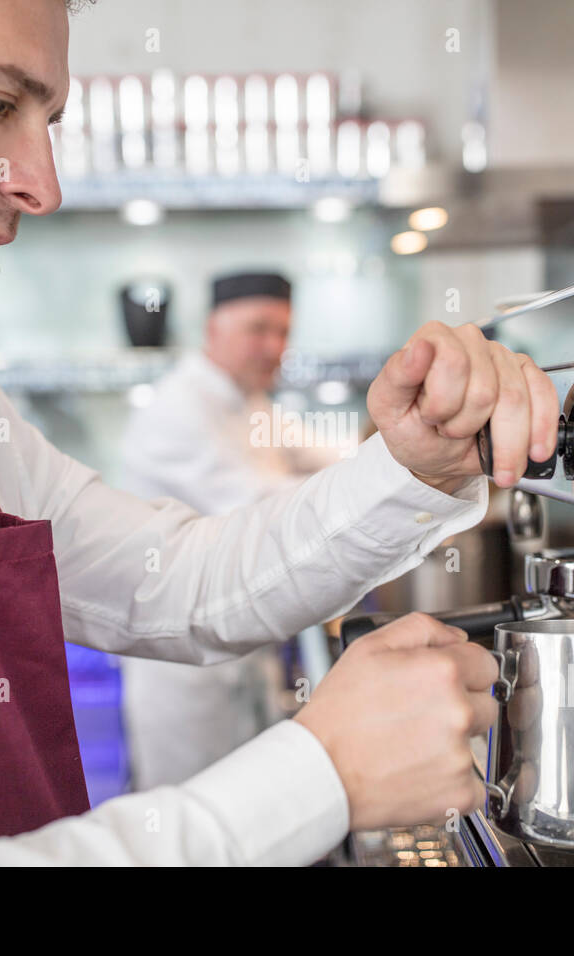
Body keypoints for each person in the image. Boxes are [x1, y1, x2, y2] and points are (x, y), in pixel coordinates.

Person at [0, 0, 557, 865]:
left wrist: (415, 467)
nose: (40, 185)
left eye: (46, 123)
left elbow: (187, 582)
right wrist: (319, 775)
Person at [119, 271, 343, 790]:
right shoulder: (178, 408)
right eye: (258, 329)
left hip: (241, 646)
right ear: (212, 330)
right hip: (183, 665)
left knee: (249, 810)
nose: (274, 346)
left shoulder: (251, 402)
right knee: (190, 821)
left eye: (284, 332)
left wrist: (400, 455)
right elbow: (262, 504)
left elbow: (323, 459)